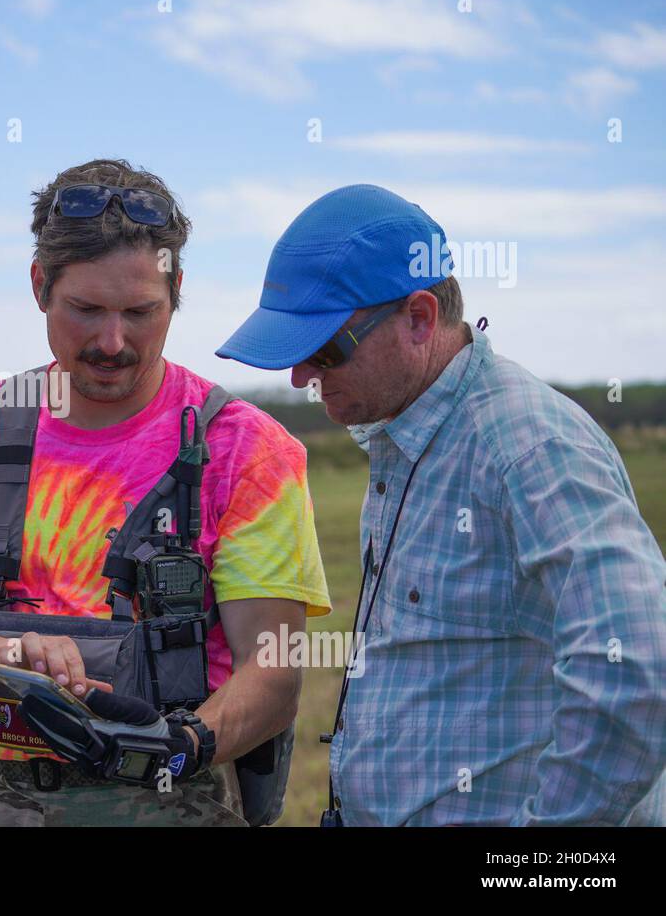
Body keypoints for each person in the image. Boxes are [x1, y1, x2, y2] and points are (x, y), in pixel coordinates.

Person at [0, 158, 331, 826]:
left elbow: (271, 676)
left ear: (177, 289)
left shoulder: (248, 450)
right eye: (86, 310)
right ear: (40, 285)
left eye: (140, 312)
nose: (112, 341)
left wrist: (176, 750)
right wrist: (2, 654)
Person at [216, 183, 666, 826]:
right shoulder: (402, 433)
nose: (300, 376)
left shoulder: (529, 446)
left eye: (326, 349)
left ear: (420, 318)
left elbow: (638, 666)